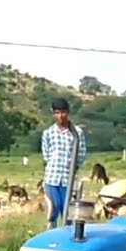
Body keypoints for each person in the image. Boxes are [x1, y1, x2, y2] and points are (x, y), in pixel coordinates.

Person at [41, 97, 88, 230]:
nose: (60, 116)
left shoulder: (77, 133)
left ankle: (66, 236)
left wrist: (73, 169)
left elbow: (81, 154)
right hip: (52, 178)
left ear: (68, 112)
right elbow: (46, 155)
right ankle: (51, 236)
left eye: (63, 112)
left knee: (68, 213)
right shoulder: (48, 133)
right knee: (53, 210)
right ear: (53, 113)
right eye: (57, 113)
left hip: (68, 179)